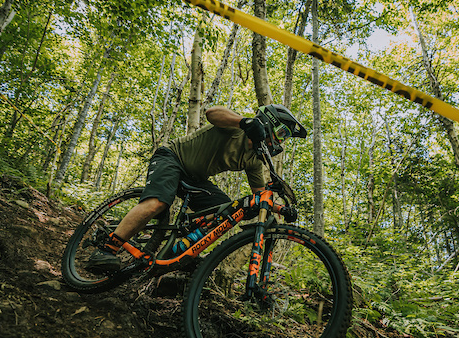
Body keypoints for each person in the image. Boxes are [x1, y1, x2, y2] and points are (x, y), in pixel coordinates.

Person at [87, 103, 307, 272]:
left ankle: (182, 254)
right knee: (157, 203)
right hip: (173, 158)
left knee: (225, 212)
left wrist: (281, 210)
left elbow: (259, 195)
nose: (280, 142)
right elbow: (212, 113)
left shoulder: (253, 159)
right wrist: (244, 121)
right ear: (269, 122)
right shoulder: (237, 128)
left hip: (196, 179)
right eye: (282, 134)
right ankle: (107, 249)